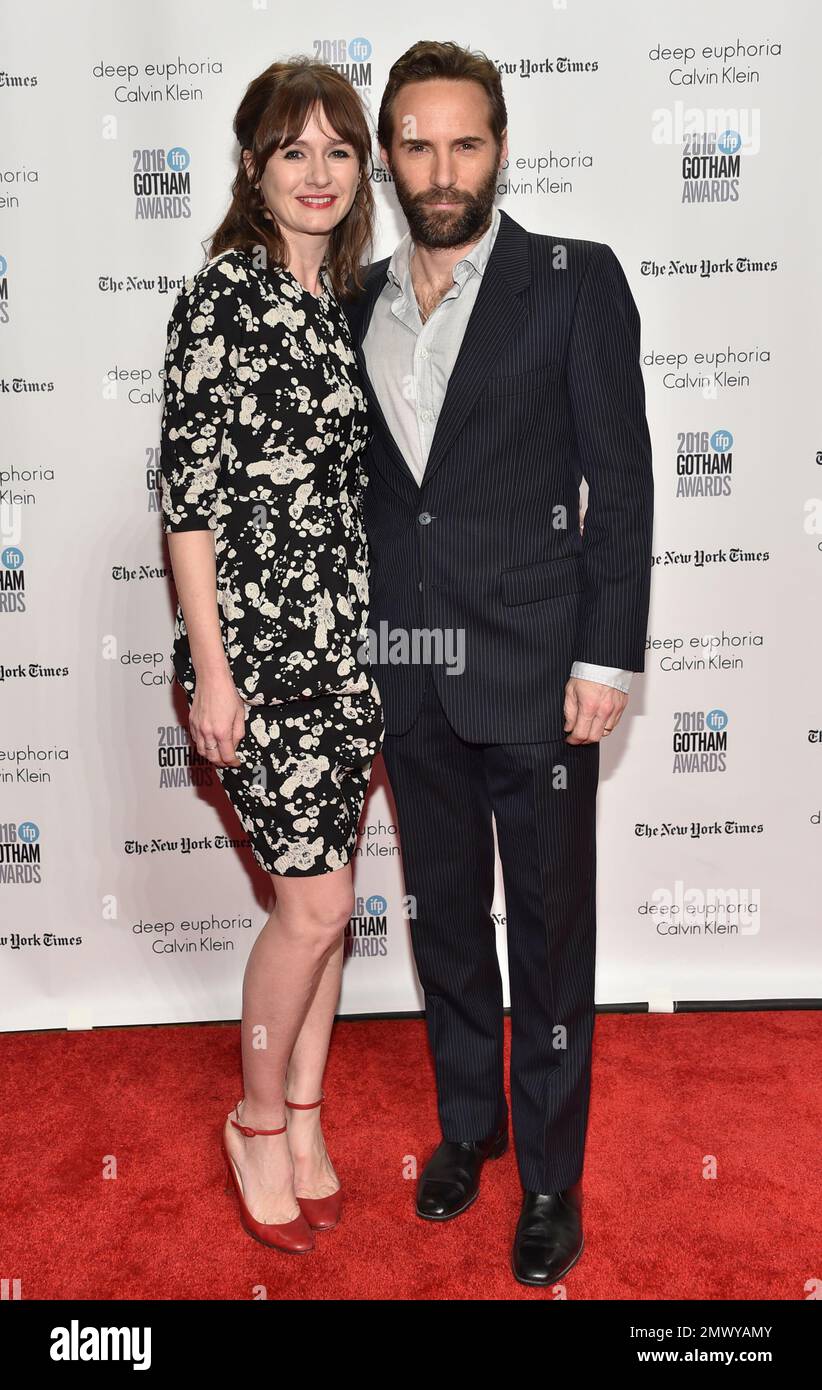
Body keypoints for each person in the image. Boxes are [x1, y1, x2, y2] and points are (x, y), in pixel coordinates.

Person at [344, 41, 654, 1285]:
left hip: (537, 667)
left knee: (550, 930)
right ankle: (467, 1129)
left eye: (464, 142)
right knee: (449, 926)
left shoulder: (571, 283)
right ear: (388, 159)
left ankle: (553, 1179)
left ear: (502, 148)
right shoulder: (353, 298)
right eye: (415, 143)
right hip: (407, 664)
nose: (440, 167)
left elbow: (619, 485)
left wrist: (608, 657)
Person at [159, 59, 383, 1255]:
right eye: (293, 150)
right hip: (258, 657)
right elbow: (188, 504)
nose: (318, 172)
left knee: (330, 913)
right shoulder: (225, 297)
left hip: (346, 656)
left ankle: (302, 1117)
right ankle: (252, 1119)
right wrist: (213, 669)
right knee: (318, 903)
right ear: (253, 165)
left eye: (339, 151)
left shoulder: (336, 305)